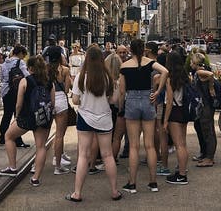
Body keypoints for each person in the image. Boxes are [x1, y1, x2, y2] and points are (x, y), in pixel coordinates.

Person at [66, 44, 123, 202]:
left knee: (83, 155)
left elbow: (76, 100)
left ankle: (77, 193)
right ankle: (114, 191)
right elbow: (113, 100)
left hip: (85, 118)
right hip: (104, 118)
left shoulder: (81, 76)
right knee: (108, 155)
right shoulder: (107, 77)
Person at [119, 37, 168, 194]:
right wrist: (158, 92)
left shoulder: (124, 66)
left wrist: (121, 107)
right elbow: (165, 72)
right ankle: (153, 183)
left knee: (133, 145)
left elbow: (121, 91)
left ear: (130, 50)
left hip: (132, 101)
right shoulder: (149, 62)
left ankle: (132, 184)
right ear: (143, 49)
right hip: (148, 100)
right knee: (150, 145)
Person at [0, 54, 54, 184]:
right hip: (42, 118)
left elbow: (19, 103)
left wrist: (16, 116)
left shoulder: (25, 81)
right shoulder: (49, 83)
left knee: (9, 136)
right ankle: (36, 178)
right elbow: (52, 103)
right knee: (41, 147)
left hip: (27, 118)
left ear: (30, 68)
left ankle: (12, 167)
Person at [162, 50, 189, 185]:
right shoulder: (184, 75)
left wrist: (165, 120)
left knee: (178, 145)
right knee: (182, 143)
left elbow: (170, 100)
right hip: (184, 110)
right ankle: (182, 169)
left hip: (175, 111)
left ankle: (182, 175)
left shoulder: (170, 77)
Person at [47, 45, 72, 174]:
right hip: (61, 100)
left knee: (43, 135)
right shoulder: (65, 70)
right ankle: (58, 165)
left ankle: (36, 164)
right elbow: (67, 89)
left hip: (47, 101)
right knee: (59, 134)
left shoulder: (45, 70)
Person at [0, 44, 29, 147]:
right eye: (23, 55)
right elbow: (27, 76)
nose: (23, 57)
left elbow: (2, 77)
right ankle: (17, 139)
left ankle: (3, 137)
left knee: (6, 114)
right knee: (18, 115)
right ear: (20, 53)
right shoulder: (20, 62)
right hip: (16, 91)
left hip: (5, 91)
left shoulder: (4, 63)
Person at [190, 51, 216, 166]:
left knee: (208, 131)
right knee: (205, 129)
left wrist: (211, 88)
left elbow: (211, 75)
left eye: (191, 61)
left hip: (205, 105)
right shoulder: (198, 72)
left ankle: (209, 158)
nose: (190, 63)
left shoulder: (200, 71)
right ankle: (206, 155)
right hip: (205, 105)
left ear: (195, 62)